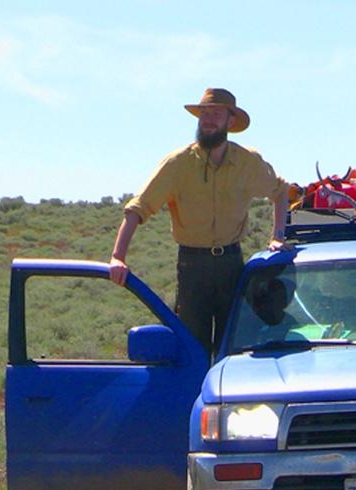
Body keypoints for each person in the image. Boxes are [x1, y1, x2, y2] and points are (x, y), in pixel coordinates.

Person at [109, 88, 290, 358]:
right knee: (193, 350)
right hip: (192, 267)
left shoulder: (247, 162)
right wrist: (118, 257)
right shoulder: (178, 163)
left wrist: (277, 236)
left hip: (232, 265)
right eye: (204, 114)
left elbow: (281, 191)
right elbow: (138, 208)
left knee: (234, 348)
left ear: (230, 121)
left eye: (216, 113)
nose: (208, 120)